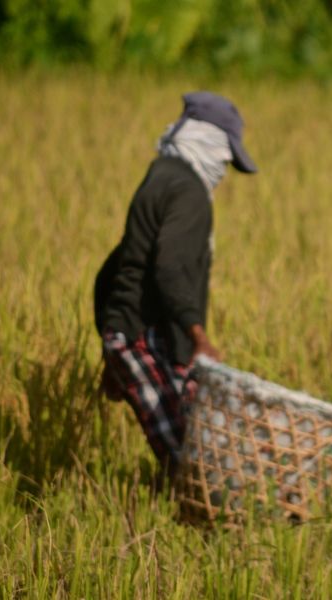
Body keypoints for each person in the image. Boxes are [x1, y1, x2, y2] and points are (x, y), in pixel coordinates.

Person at [94, 91, 257, 476]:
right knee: (192, 463)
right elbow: (168, 268)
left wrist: (110, 341)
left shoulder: (160, 175)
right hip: (142, 335)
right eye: (226, 158)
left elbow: (118, 265)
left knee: (197, 446)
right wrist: (198, 335)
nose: (224, 170)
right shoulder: (189, 191)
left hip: (139, 334)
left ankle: (197, 521)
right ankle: (207, 525)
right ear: (210, 143)